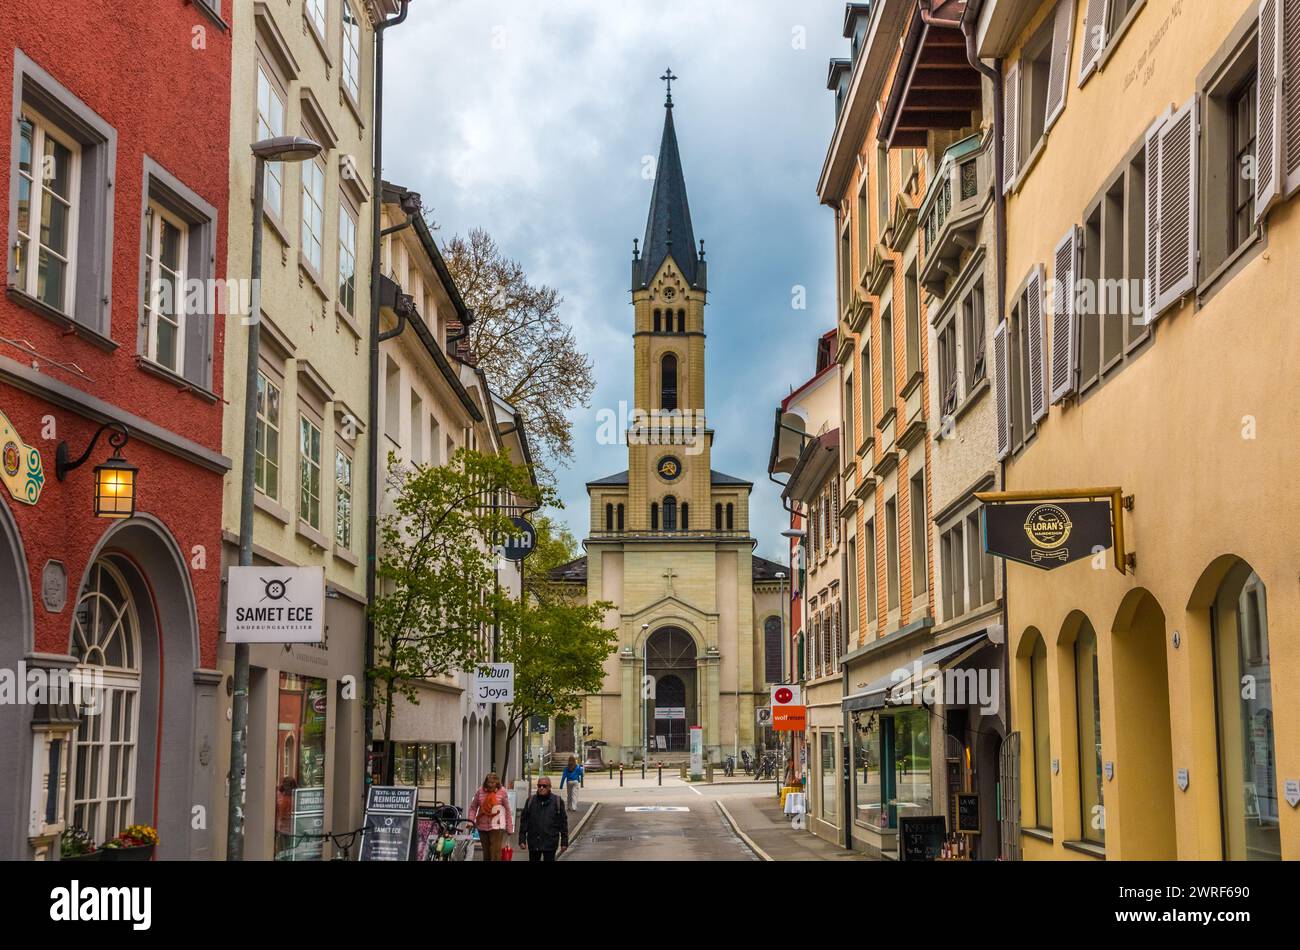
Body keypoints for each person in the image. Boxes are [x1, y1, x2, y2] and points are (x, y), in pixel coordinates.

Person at [519, 777, 568, 862]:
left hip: (550, 842)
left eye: (544, 786)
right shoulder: (531, 801)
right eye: (539, 786)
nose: (541, 788)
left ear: (549, 787)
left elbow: (563, 823)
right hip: (534, 842)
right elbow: (524, 821)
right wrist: (522, 840)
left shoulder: (557, 801)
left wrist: (564, 842)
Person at [467, 772, 513, 861]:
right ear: (486, 782)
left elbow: (507, 810)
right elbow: (473, 807)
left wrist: (509, 827)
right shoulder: (480, 791)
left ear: (497, 783)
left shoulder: (502, 791)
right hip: (482, 826)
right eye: (489, 782)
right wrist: (470, 821)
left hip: (497, 826)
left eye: (493, 783)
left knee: (495, 853)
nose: (491, 785)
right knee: (486, 853)